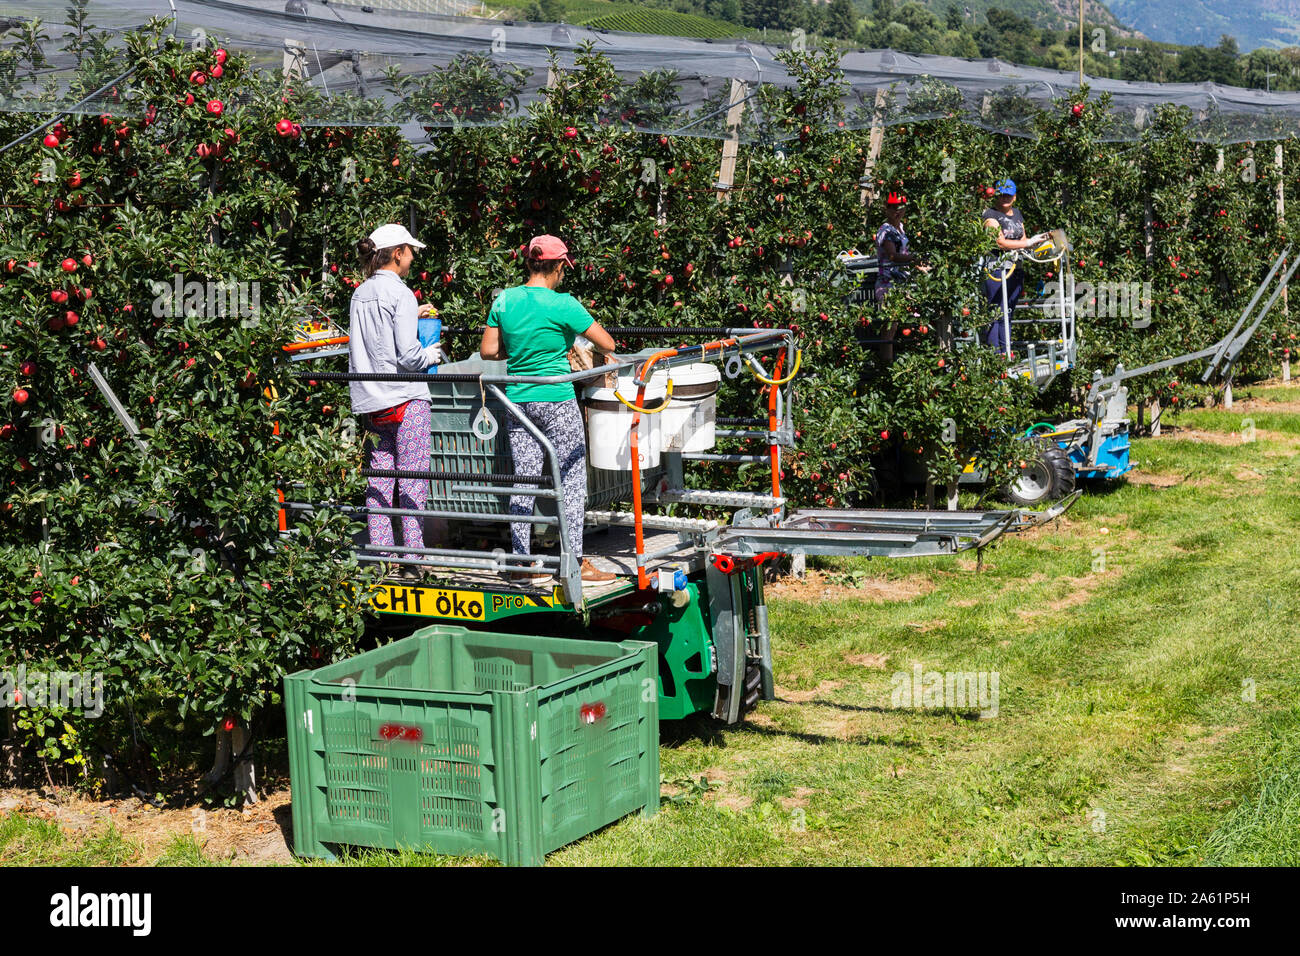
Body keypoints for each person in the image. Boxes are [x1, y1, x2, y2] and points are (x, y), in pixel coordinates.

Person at [480, 235, 618, 586]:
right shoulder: (564, 304)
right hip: (556, 399)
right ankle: (574, 561)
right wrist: (564, 341)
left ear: (529, 263)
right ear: (557, 266)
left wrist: (523, 347)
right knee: (571, 479)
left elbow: (489, 351)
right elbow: (608, 343)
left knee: (524, 480)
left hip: (518, 399)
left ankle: (521, 563)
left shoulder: (505, 300)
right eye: (563, 269)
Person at [347, 223, 444, 571]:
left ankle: (381, 555)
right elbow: (408, 356)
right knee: (413, 479)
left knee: (380, 479)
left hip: (373, 401)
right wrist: (431, 354)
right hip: (407, 399)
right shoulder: (403, 294)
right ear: (398, 253)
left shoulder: (359, 293)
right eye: (410, 251)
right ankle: (413, 557)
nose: (413, 257)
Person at [981, 178, 1049, 354]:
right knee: (996, 313)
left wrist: (1036, 242)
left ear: (1014, 196)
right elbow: (1000, 243)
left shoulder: (1017, 214)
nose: (1005, 198)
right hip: (998, 270)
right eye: (1002, 194)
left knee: (1008, 312)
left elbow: (1023, 239)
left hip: (1015, 269)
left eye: (1008, 195)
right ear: (996, 195)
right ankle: (996, 355)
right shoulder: (990, 215)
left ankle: (1006, 350)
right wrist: (1026, 244)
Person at [873, 191, 926, 362]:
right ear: (886, 208)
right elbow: (893, 256)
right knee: (890, 325)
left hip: (903, 282)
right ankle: (886, 363)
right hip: (888, 283)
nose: (896, 210)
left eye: (900, 207)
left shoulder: (900, 228)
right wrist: (915, 259)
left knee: (914, 320)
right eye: (892, 207)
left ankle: (912, 362)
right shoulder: (886, 230)